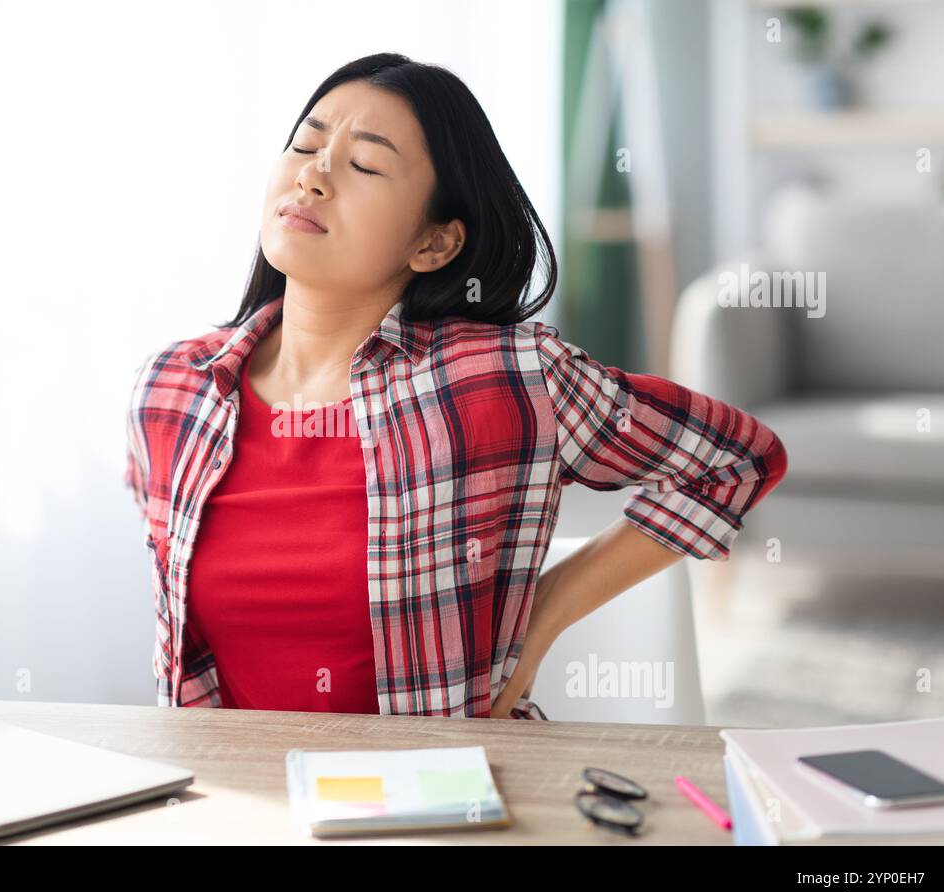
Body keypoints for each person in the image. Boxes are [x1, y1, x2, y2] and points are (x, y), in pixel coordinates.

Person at [125, 52, 787, 720]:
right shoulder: (172, 393)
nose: (314, 176)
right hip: (236, 806)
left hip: (441, 801)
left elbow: (738, 458)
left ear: (435, 245)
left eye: (364, 165)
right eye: (306, 144)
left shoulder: (499, 380)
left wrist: (546, 611)